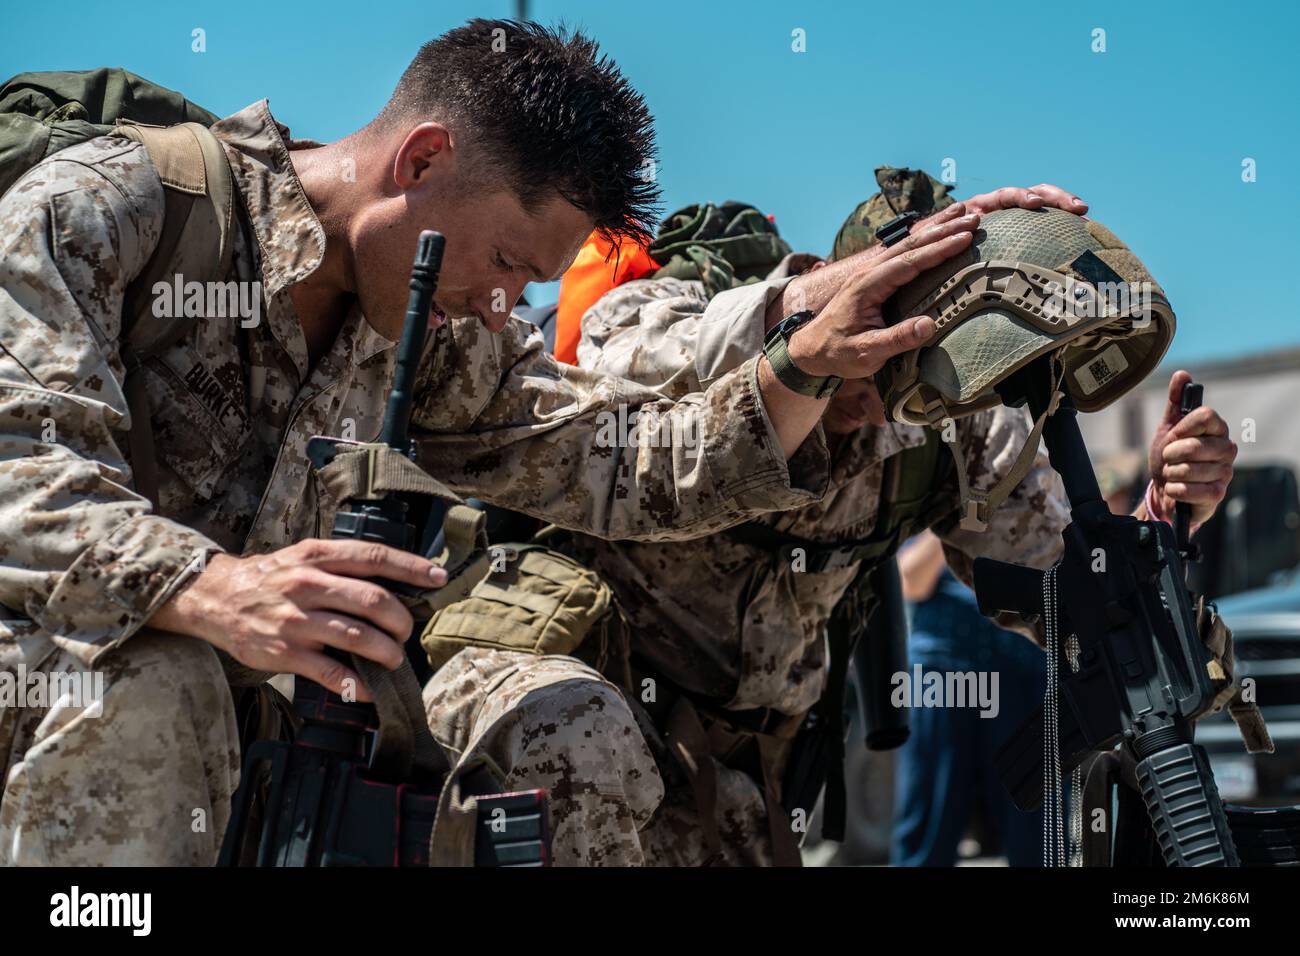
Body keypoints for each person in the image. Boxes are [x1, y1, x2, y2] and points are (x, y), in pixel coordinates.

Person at [0, 22, 1012, 866]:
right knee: (158, 675)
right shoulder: (114, 204)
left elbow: (623, 460)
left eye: (526, 283)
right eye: (502, 261)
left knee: (568, 722)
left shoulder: (431, 327)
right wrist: (213, 590)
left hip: (287, 717)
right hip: (64, 686)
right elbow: (22, 467)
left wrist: (799, 365)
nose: (502, 303)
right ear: (423, 158)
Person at [421, 167, 1239, 865]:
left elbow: (1060, 591)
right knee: (580, 738)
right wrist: (806, 318)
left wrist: (1162, 517)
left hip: (745, 785)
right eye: (864, 347)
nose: (869, 396)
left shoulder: (949, 423)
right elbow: (614, 354)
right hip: (580, 730)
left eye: (904, 371)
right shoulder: (690, 310)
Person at [891, 529, 1046, 866]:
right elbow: (910, 579)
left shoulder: (1040, 481)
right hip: (946, 670)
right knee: (927, 827)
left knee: (1038, 837)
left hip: (1022, 665)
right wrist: (963, 510)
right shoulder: (931, 488)